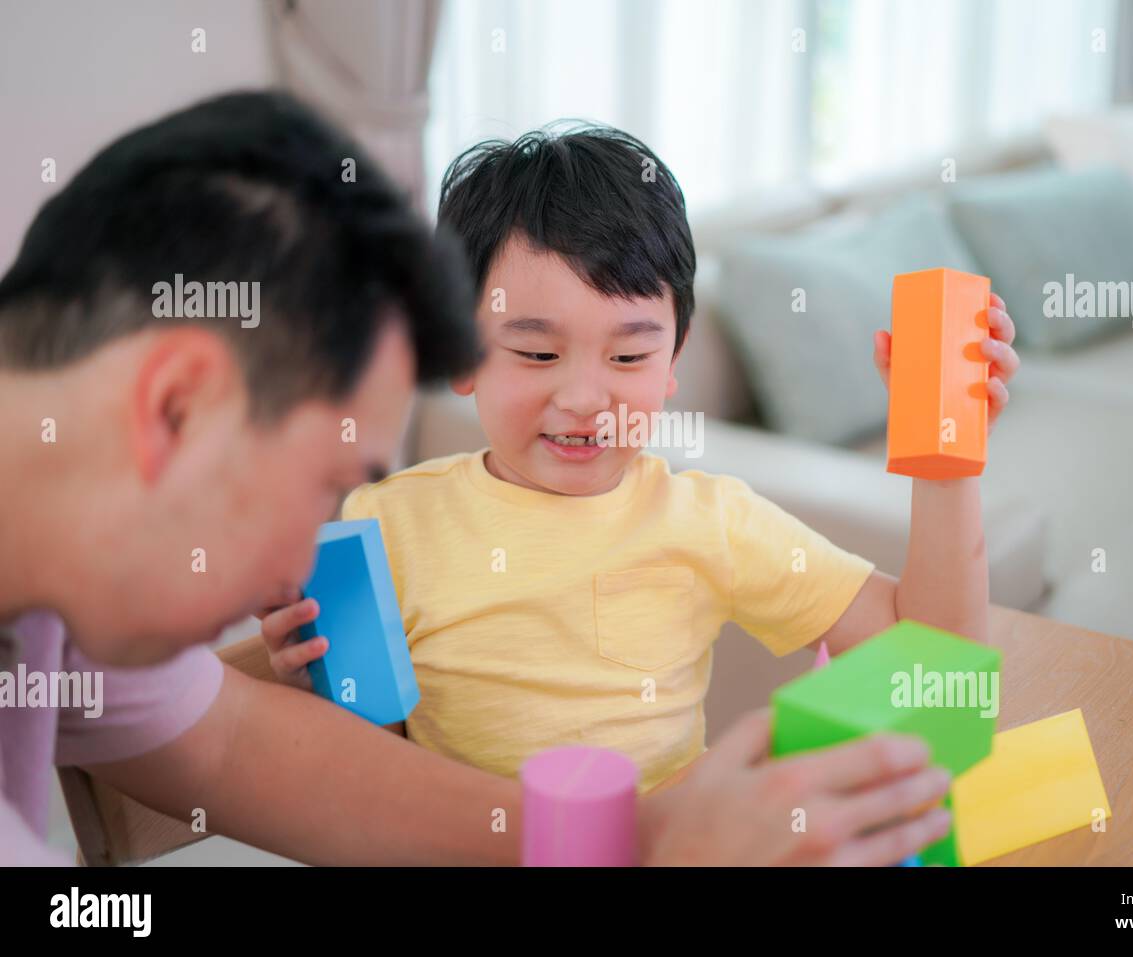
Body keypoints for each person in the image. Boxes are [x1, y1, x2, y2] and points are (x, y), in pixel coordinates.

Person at [0, 92, 953, 866]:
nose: (296, 563)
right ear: (176, 406)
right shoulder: (405, 519)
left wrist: (643, 837)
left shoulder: (59, 606)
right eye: (322, 483)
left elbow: (228, 740)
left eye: (626, 356)